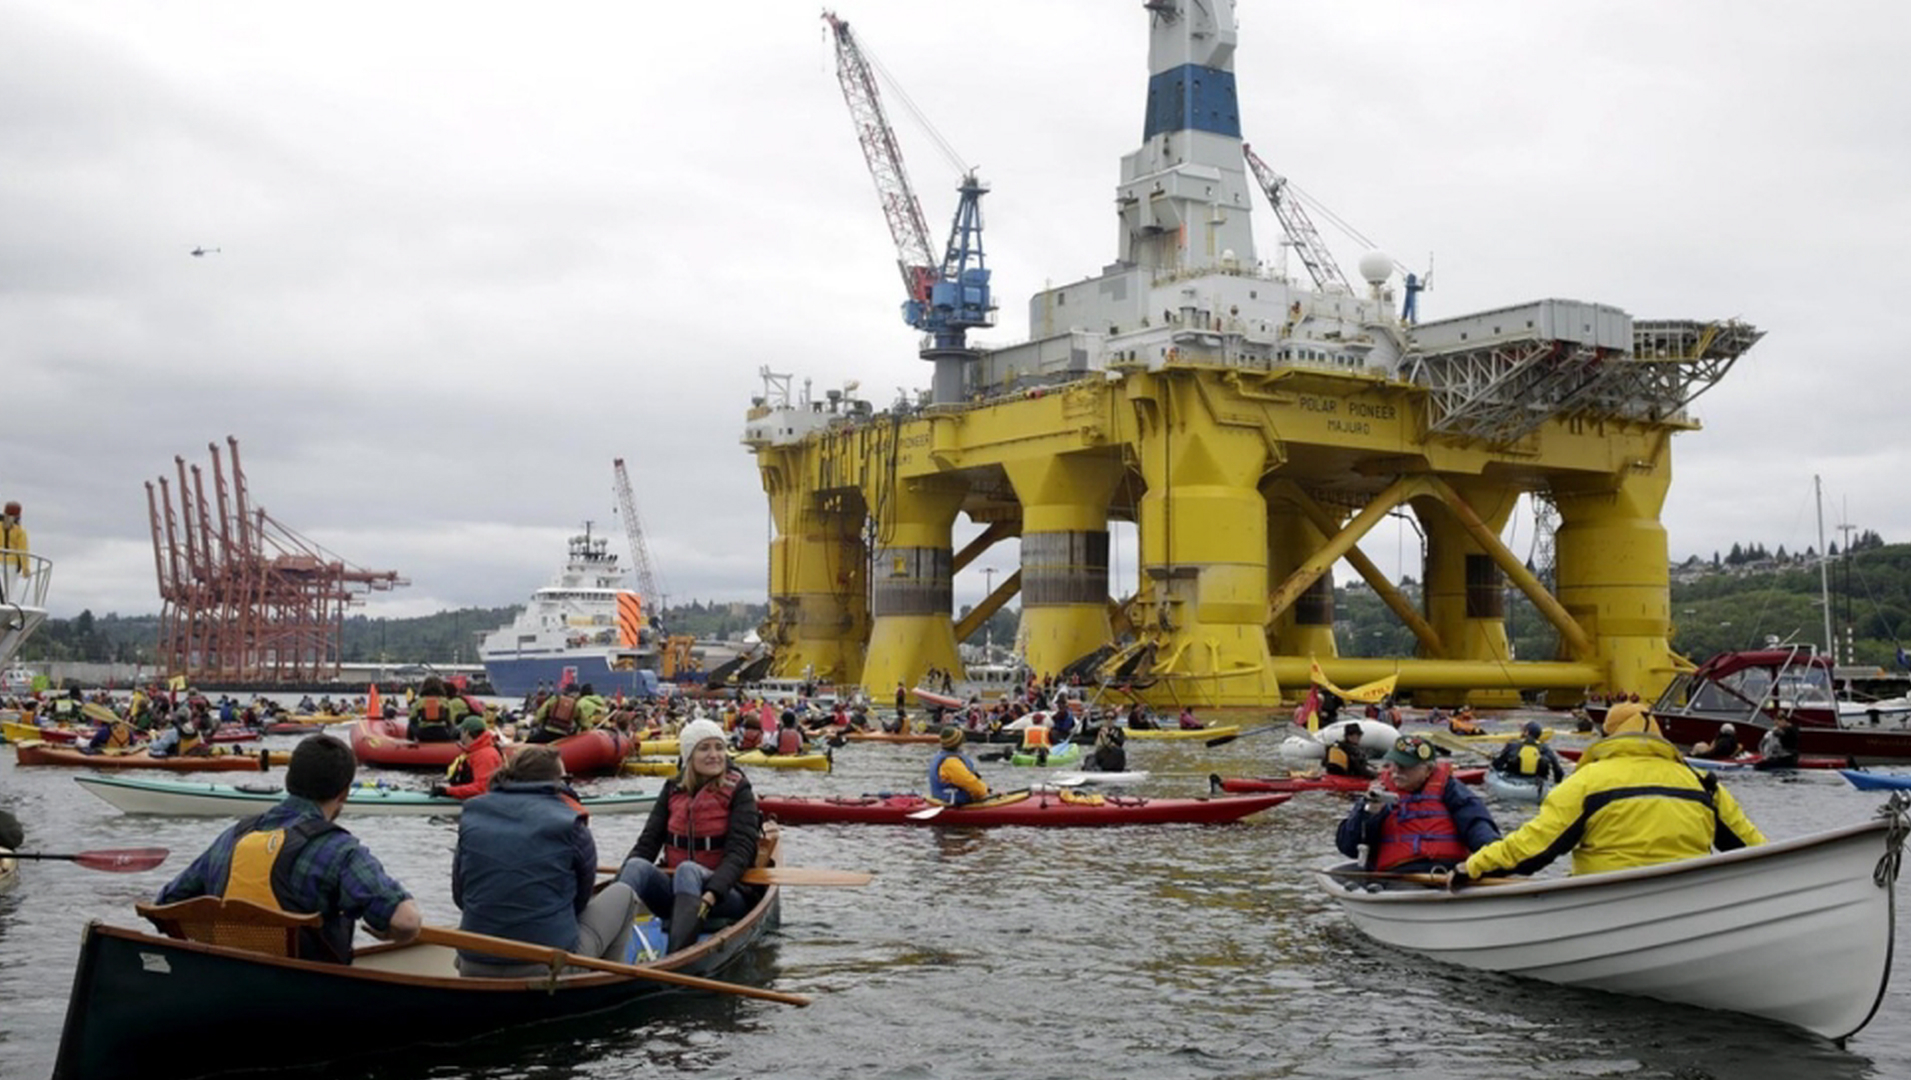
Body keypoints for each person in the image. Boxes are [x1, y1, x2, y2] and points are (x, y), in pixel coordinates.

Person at [156, 733, 421, 963]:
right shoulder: (340, 850)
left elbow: (166, 904)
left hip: (231, 991)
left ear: (288, 780)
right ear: (344, 793)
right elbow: (406, 922)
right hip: (309, 999)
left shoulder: (232, 837)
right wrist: (390, 933)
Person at [1458, 705, 1764, 882]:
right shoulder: (1702, 783)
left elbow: (1532, 849)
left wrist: (1473, 866)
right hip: (1686, 894)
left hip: (1601, 896)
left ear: (1607, 735)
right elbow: (1754, 849)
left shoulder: (1587, 782)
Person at [450, 745, 639, 975]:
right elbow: (579, 902)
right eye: (567, 778)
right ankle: (607, 981)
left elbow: (460, 897)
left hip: (473, 963)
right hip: (545, 965)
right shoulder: (571, 823)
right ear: (557, 781)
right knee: (625, 894)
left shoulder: (471, 814)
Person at [613, 718, 762, 955]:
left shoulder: (739, 791)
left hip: (725, 895)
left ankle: (676, 956)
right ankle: (603, 938)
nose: (714, 755)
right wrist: (618, 883)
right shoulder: (672, 789)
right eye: (704, 748)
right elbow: (647, 844)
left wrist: (712, 894)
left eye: (719, 747)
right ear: (689, 755)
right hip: (679, 895)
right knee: (636, 865)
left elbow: (740, 852)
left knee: (688, 870)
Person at [1337, 735, 1501, 873]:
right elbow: (1349, 847)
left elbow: (1477, 826)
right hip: (1399, 874)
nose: (1396, 772)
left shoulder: (1451, 790)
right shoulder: (1379, 792)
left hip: (1451, 872)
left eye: (1406, 766)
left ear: (1428, 770)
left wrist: (1495, 858)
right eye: (1394, 764)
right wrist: (1369, 813)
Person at [432, 715, 503, 800]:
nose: (460, 734)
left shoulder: (485, 755)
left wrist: (448, 791)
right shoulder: (474, 752)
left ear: (466, 733)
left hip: (479, 804)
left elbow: (482, 789)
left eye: (461, 731)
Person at [927, 725, 992, 806]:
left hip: (944, 799)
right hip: (952, 803)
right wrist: (984, 792)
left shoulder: (942, 756)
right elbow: (973, 786)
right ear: (958, 743)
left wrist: (987, 788)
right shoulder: (951, 762)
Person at [1490, 721, 1566, 785]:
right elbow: (1558, 771)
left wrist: (1493, 763)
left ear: (1526, 732)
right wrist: (1557, 784)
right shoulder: (1545, 748)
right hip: (1538, 784)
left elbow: (1498, 765)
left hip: (1513, 782)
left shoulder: (1512, 745)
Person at [407, 676, 466, 743]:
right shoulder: (445, 702)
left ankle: (409, 742)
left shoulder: (419, 701)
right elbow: (451, 721)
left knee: (411, 722)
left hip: (423, 735)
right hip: (442, 734)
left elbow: (412, 719)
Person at [0, 501, 29, 603]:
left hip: (6, 562)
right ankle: (8, 606)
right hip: (11, 563)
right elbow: (23, 550)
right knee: (10, 589)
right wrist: (25, 569)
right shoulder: (20, 531)